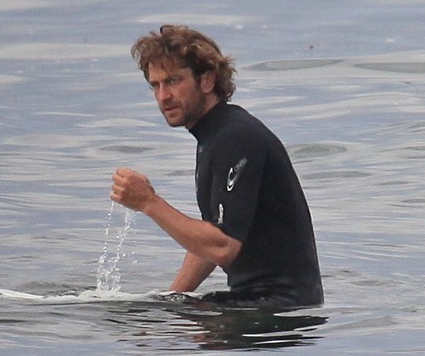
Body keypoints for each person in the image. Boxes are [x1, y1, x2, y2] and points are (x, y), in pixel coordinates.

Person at [110, 25, 323, 308]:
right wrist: (169, 298)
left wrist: (149, 203)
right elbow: (208, 244)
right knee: (154, 319)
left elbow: (223, 247)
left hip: (279, 308)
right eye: (155, 85)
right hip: (264, 302)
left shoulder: (235, 138)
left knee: (140, 327)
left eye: (174, 81)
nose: (163, 96)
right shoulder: (214, 137)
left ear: (207, 80)